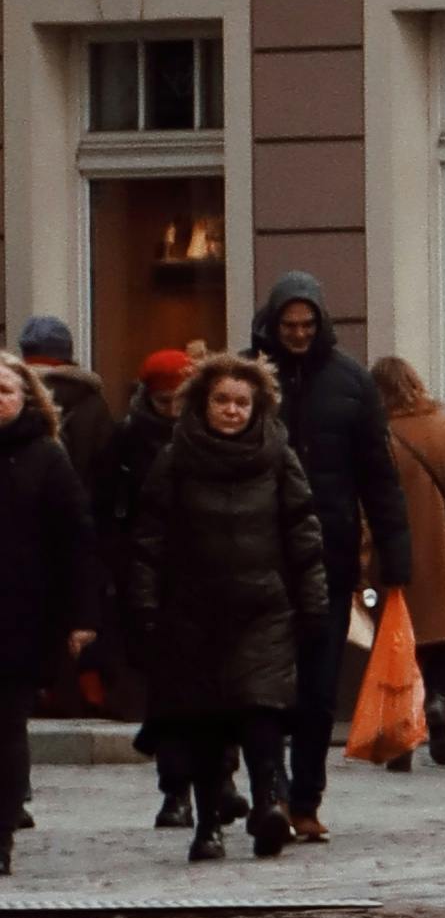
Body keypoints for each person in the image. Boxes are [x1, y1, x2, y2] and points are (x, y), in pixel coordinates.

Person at [125, 353, 326, 861]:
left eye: (241, 402)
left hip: (264, 608)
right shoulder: (174, 459)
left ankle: (269, 806)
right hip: (194, 610)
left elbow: (303, 533)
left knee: (261, 711)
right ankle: (208, 824)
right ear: (202, 403)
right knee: (207, 721)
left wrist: (314, 605)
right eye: (222, 400)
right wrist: (145, 605)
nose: (232, 411)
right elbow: (149, 538)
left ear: (257, 407)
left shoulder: (279, 457)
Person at [252, 274, 408, 850]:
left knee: (318, 689)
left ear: (320, 324)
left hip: (329, 557)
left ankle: (306, 798)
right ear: (272, 325)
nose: (297, 335)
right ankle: (268, 790)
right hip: (258, 557)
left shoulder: (351, 383)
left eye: (306, 326)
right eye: (288, 326)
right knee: (263, 684)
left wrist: (396, 552)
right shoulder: (248, 378)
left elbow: (379, 476)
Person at [0, 345, 94, 862]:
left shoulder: (46, 458)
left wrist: (81, 617)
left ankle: (3, 830)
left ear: (26, 398)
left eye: (5, 391)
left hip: (21, 616)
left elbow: (76, 540)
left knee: (8, 725)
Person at [369, 357, 445, 767]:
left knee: (399, 643)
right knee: (443, 639)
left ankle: (403, 732)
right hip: (442, 549)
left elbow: (360, 503)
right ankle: (437, 701)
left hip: (391, 551)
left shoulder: (375, 437)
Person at [105, 349, 197, 828]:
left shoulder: (211, 437)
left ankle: (220, 785)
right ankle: (176, 790)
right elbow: (111, 514)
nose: (172, 408)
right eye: (163, 400)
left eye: (179, 399)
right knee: (169, 693)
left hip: (216, 579)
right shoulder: (127, 440)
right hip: (155, 582)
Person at [16, 313, 114, 504]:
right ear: (68, 356)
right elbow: (107, 473)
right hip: (79, 515)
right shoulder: (93, 401)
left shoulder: (12, 396)